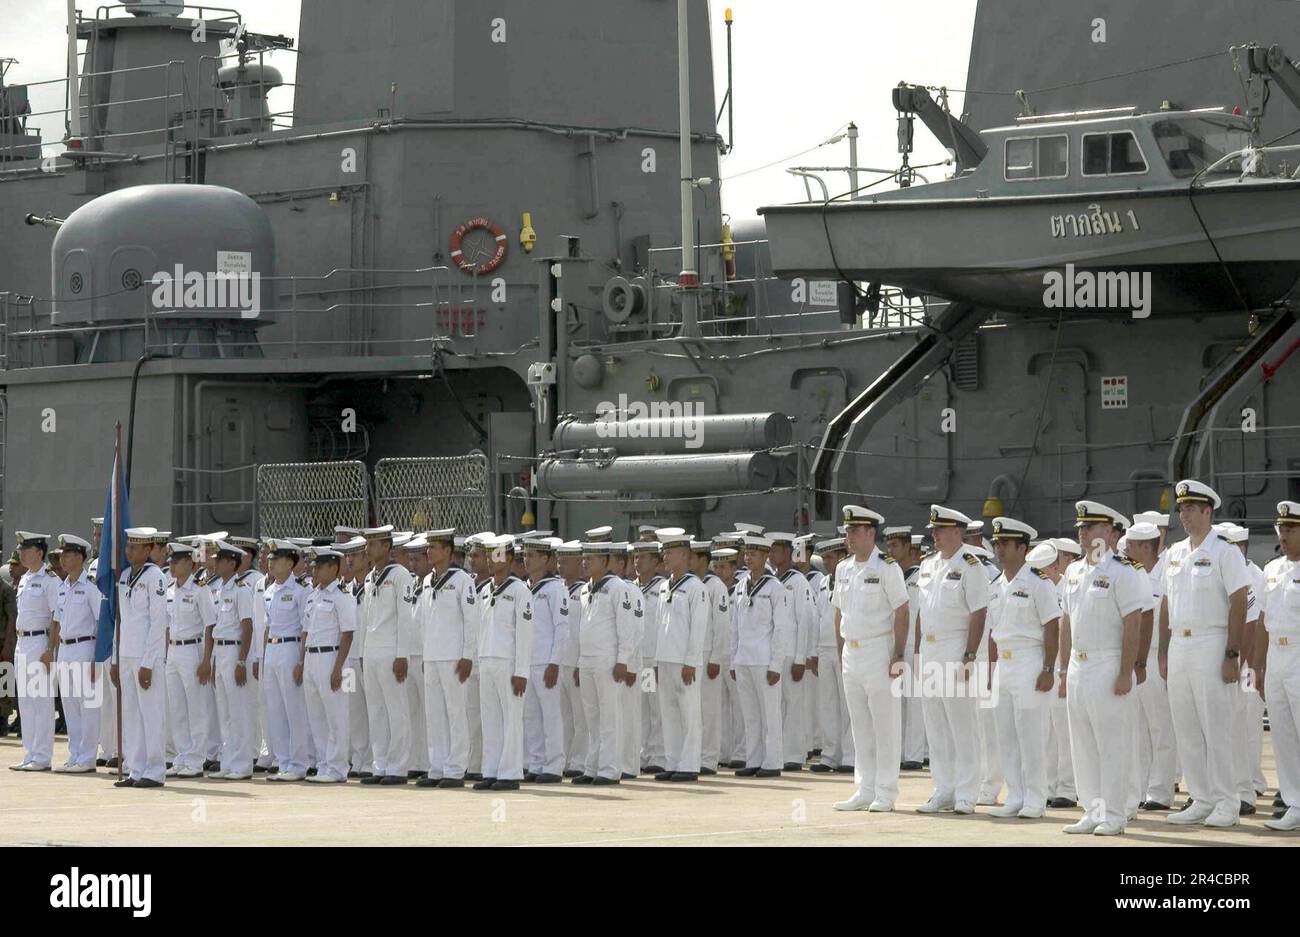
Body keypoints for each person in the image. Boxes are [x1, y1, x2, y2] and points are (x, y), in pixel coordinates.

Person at [1160, 479, 1251, 828]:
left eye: (1189, 509)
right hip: (1180, 645)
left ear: (1207, 511)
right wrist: (1165, 652)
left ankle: (1228, 801)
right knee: (1187, 727)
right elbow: (1167, 603)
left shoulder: (1224, 551)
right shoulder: (1175, 553)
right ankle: (1201, 797)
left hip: (1212, 642)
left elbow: (1239, 601)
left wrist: (1232, 652)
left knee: (1217, 727)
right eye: (1181, 509)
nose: (1183, 515)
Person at [1060, 501, 1146, 835]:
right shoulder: (1073, 571)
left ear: (1111, 533)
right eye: (1081, 527)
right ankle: (1093, 810)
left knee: (1113, 743)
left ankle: (1114, 813)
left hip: (1109, 662)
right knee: (1083, 743)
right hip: (1078, 665)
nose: (1083, 532)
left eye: (1091, 526)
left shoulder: (1124, 571)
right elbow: (1066, 623)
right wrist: (1063, 670)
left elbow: (1133, 624)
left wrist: (1126, 671)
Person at [830, 506, 909, 812]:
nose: (848, 537)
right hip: (852, 650)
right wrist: (840, 653)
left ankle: (886, 791)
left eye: (854, 531)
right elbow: (839, 612)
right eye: (847, 531)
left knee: (884, 724)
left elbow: (902, 610)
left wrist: (898, 653)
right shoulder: (843, 569)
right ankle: (864, 787)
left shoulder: (887, 568)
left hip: (879, 650)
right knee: (859, 724)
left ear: (870, 533)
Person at [914, 506, 990, 814]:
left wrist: (970, 655)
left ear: (957, 532)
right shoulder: (929, 565)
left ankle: (967, 793)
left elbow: (979, 612)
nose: (935, 535)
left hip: (956, 648)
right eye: (934, 530)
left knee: (962, 725)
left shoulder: (972, 566)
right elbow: (923, 611)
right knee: (936, 727)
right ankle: (943, 789)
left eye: (940, 530)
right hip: (931, 650)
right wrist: (918, 651)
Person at [986, 518, 1059, 819]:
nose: (999, 548)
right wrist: (991, 671)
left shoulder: (1038, 582)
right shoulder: (995, 586)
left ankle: (1035, 798)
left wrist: (1048, 668)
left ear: (1022, 547)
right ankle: (1015, 795)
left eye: (1005, 543)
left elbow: (1051, 626)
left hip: (1030, 661)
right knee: (1007, 735)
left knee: (1031, 735)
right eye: (997, 543)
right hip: (1004, 663)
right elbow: (993, 632)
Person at [573, 539, 639, 785]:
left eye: (590, 559)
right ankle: (592, 766)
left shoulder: (617, 587)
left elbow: (627, 627)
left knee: (610, 716)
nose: (585, 563)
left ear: (605, 561)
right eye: (584, 558)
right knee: (592, 716)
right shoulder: (585, 589)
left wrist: (623, 660)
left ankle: (610, 769)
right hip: (588, 659)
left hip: (607, 659)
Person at [416, 529, 477, 788]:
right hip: (432, 655)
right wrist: (424, 653)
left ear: (449, 551)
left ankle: (455, 768)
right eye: (429, 547)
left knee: (456, 712)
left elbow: (471, 621)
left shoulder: (462, 580)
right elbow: (424, 622)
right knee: (434, 714)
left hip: (453, 656)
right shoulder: (427, 580)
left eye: (436, 547)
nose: (430, 551)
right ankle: (437, 766)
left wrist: (467, 655)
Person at [1124, 523, 1177, 812]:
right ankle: (1144, 787)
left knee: (1160, 726)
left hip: (1156, 657)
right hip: (1133, 658)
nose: (1126, 549)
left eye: (1130, 545)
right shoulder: (1130, 576)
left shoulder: (1165, 576)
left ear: (1146, 546)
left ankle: (1160, 790)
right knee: (1139, 728)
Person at [359, 525, 417, 786]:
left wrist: (402, 654)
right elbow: (367, 619)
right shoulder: (371, 576)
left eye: (373, 544)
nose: (368, 548)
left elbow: (405, 617)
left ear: (386, 547)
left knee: (397, 710)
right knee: (376, 710)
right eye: (368, 543)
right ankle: (379, 764)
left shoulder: (401, 575)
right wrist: (362, 652)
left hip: (391, 650)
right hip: (372, 650)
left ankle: (398, 766)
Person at [112, 527, 169, 787]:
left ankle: (155, 770)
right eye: (128, 547)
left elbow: (158, 622)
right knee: (131, 714)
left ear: (148, 550)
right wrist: (115, 658)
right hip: (126, 654)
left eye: (135, 547)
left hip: (147, 657)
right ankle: (136, 768)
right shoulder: (125, 576)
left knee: (151, 713)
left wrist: (148, 662)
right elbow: (120, 621)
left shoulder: (155, 576)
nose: (129, 551)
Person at [730, 535, 792, 778]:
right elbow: (734, 626)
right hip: (744, 658)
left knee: (770, 714)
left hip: (765, 660)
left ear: (765, 556)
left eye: (753, 554)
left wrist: (777, 663)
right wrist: (734, 659)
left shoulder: (775, 587)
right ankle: (754, 759)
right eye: (746, 554)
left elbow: (781, 628)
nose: (748, 558)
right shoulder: (741, 585)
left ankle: (772, 761)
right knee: (751, 715)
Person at [475, 534, 533, 791]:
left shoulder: (520, 590)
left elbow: (525, 633)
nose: (490, 560)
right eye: (487, 554)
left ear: (509, 558)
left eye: (495, 554)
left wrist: (521, 670)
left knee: (511, 718)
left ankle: (509, 772)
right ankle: (491, 769)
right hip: (487, 660)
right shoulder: (486, 589)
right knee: (490, 719)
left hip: (509, 662)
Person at [651, 528, 707, 782]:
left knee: (689, 714)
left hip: (684, 660)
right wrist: (654, 661)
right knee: (669, 714)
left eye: (670, 551)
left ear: (684, 555)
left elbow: (698, 627)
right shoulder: (664, 586)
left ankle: (689, 764)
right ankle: (672, 762)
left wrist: (692, 661)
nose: (665, 556)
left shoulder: (696, 587)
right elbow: (658, 625)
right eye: (664, 551)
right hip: (665, 658)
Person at [1258, 501, 1300, 830]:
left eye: (1291, 529)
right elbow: (1261, 620)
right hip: (1276, 655)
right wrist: (1258, 666)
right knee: (1283, 735)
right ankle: (1295, 803)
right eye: (1281, 529)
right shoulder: (1272, 570)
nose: (1283, 535)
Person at [299, 548, 356, 784]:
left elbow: (348, 633)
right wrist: (302, 661)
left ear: (333, 568)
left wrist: (337, 668)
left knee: (336, 716)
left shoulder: (342, 595)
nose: (315, 571)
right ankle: (324, 764)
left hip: (331, 657)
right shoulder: (313, 596)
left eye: (320, 566)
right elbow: (306, 631)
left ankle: (337, 767)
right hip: (312, 657)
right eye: (314, 566)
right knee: (316, 717)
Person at [203, 540, 257, 780]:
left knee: (238, 711)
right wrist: (214, 659)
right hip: (221, 652)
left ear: (230, 563)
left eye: (220, 560)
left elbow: (247, 627)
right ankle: (228, 761)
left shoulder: (241, 589)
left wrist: (241, 662)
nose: (215, 563)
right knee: (224, 712)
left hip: (235, 651)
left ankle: (242, 764)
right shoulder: (221, 589)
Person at [260, 540, 312, 782]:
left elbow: (304, 628)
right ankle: (282, 761)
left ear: (290, 563)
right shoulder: (269, 591)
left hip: (291, 647)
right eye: (270, 559)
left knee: (294, 709)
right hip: (272, 650)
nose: (270, 563)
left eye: (276, 559)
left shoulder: (300, 591)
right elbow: (267, 626)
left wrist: (301, 662)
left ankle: (299, 763)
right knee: (275, 710)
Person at [163, 541, 216, 779]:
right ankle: (182, 756)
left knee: (196, 707)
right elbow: (166, 625)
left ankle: (196, 759)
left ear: (189, 563)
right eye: (171, 561)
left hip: (192, 650)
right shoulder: (170, 589)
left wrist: (206, 660)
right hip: (173, 651)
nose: (172, 566)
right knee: (177, 708)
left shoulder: (200, 589)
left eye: (176, 561)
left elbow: (209, 625)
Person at [9, 532, 61, 772]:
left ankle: (42, 756)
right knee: (26, 702)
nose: (21, 554)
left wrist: (50, 649)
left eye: (25, 550)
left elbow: (55, 617)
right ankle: (30, 753)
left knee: (41, 702)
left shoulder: (50, 580)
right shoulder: (25, 579)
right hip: (23, 644)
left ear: (39, 553)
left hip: (40, 643)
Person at [50, 534, 102, 773]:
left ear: (80, 557)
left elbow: (102, 623)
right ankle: (75, 754)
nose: (63, 559)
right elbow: (57, 622)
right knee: (70, 705)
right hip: (65, 649)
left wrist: (96, 659)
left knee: (87, 705)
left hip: (84, 647)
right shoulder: (62, 587)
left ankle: (88, 756)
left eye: (68, 554)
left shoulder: (90, 587)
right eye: (62, 555)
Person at [522, 536, 569, 783]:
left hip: (546, 662)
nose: (527, 560)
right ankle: (536, 762)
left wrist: (555, 662)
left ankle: (553, 765)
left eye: (532, 556)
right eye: (525, 555)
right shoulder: (523, 588)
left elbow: (562, 628)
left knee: (550, 715)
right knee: (531, 716)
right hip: (527, 661)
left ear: (545, 559)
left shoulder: (554, 589)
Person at [768, 532, 814, 771]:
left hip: (792, 652)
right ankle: (780, 752)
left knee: (793, 705)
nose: (771, 554)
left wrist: (800, 657)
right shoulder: (772, 581)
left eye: (776, 549)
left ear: (788, 552)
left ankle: (794, 755)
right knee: (777, 707)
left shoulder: (797, 581)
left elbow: (804, 620)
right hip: (776, 652)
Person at [689, 539, 730, 775]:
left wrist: (716, 657)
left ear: (703, 559)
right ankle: (696, 755)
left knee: (710, 707)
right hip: (694, 652)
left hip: (709, 654)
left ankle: (709, 758)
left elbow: (722, 625)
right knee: (695, 708)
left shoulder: (715, 586)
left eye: (691, 556)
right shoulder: (693, 584)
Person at [556, 540, 588, 778]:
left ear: (580, 563)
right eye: (558, 561)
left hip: (577, 663)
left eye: (565, 562)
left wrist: (579, 663)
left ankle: (579, 761)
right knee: (564, 717)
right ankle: (566, 758)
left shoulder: (584, 593)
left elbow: (584, 632)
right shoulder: (560, 591)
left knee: (581, 717)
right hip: (560, 663)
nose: (560, 566)